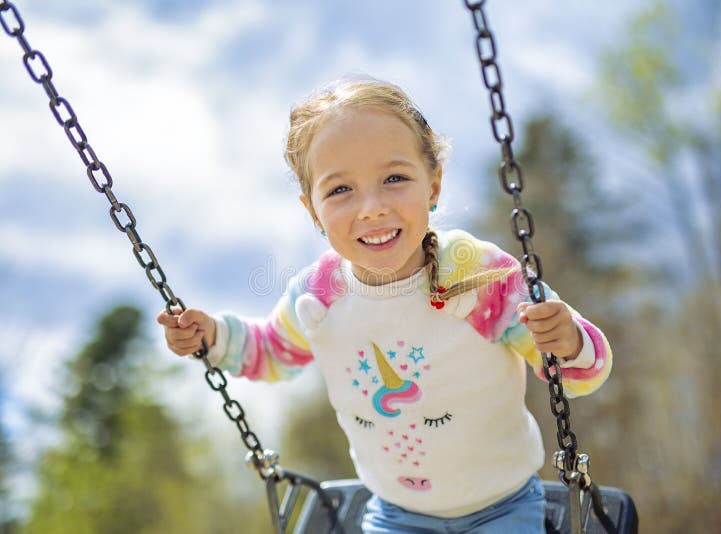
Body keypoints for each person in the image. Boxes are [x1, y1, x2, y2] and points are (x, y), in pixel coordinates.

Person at [157, 77, 612, 533]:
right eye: (340, 190)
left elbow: (579, 376)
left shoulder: (478, 276)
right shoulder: (318, 295)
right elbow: (272, 352)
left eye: (394, 179)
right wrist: (212, 336)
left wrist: (569, 341)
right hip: (396, 514)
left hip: (503, 506)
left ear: (433, 185)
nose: (371, 208)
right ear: (312, 210)